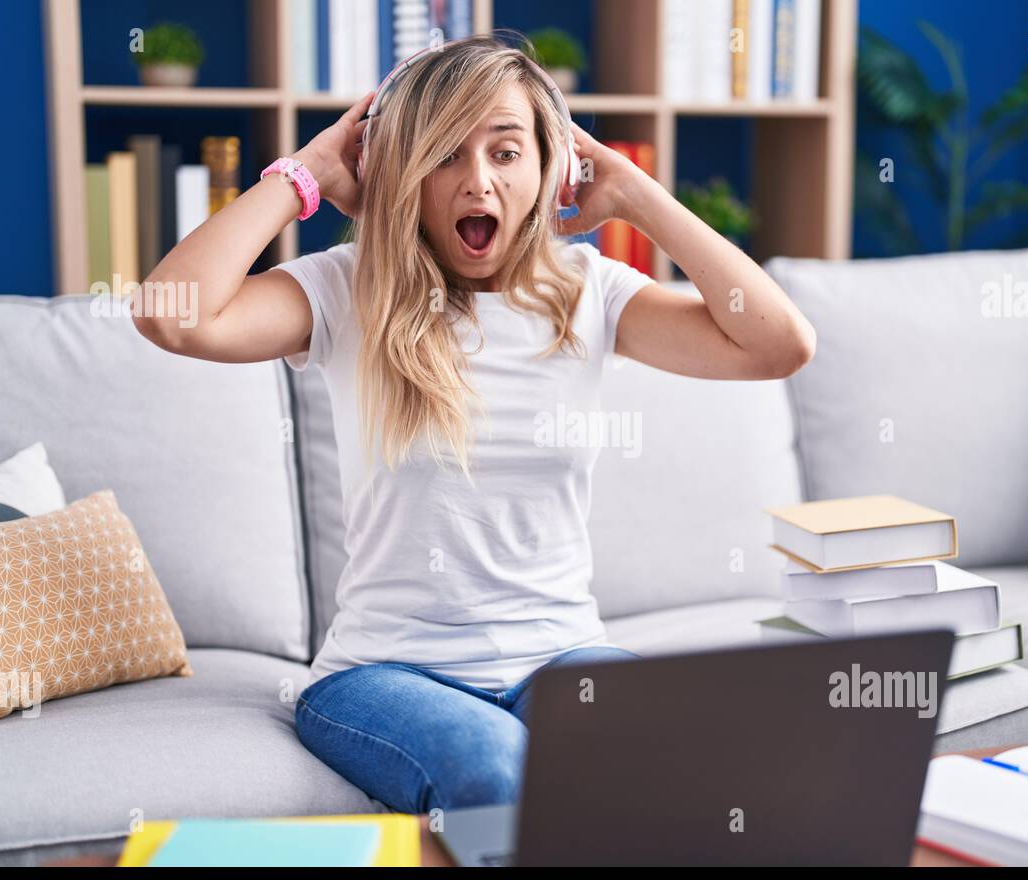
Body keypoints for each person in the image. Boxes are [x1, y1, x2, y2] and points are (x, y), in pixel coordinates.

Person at [131, 32, 815, 813]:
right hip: (386, 673)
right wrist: (306, 175)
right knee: (501, 772)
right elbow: (169, 316)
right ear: (403, 171)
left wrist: (629, 190)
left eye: (505, 151)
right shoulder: (346, 290)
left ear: (550, 168)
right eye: (446, 154)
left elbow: (779, 345)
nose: (477, 181)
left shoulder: (592, 293)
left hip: (562, 656)